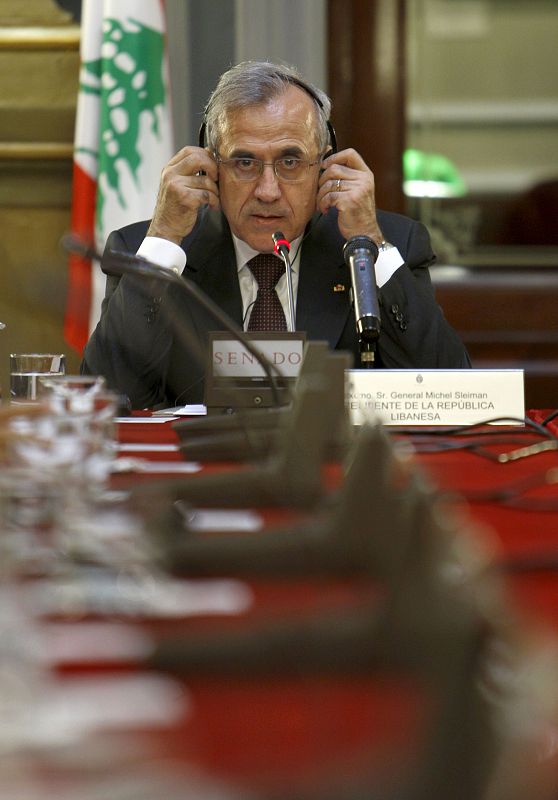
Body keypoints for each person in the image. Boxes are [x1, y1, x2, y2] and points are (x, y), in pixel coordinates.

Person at [82, 60, 470, 409]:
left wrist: (370, 242)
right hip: (201, 475)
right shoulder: (147, 251)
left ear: (325, 166)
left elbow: (450, 390)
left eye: (290, 161)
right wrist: (164, 238)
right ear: (210, 166)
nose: (267, 190)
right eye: (245, 162)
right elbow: (105, 396)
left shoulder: (391, 244)